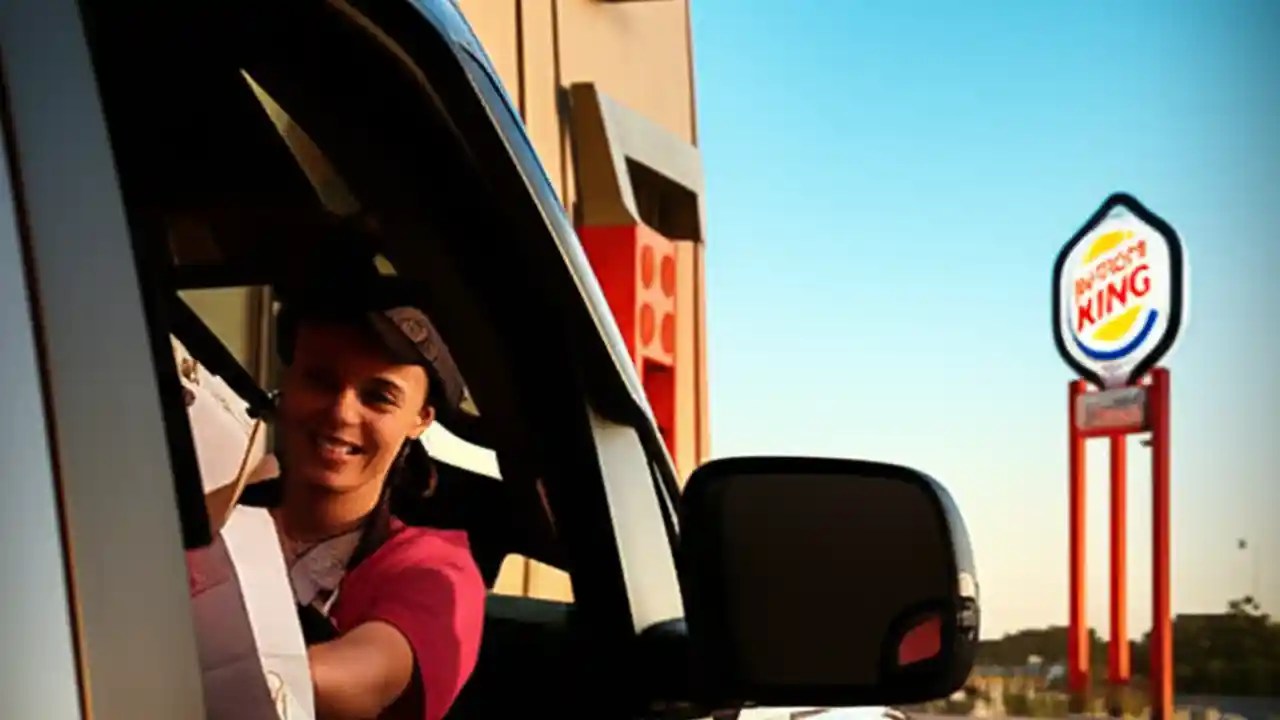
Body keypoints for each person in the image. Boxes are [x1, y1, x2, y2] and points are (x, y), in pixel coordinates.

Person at [237, 273, 487, 720]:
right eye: (321, 380)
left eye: (379, 397)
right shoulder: (211, 522)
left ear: (421, 419)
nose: (341, 411)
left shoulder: (435, 570)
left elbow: (357, 680)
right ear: (287, 381)